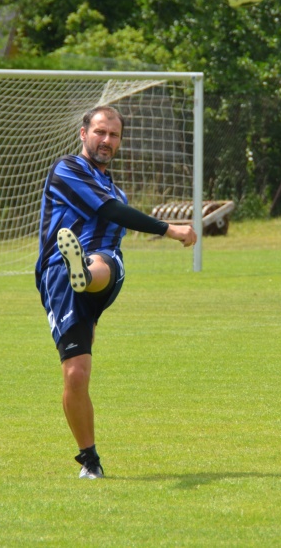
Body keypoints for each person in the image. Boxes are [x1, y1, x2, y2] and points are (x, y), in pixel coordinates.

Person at [35, 105, 197, 479]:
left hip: (105, 270)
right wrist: (170, 229)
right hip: (59, 279)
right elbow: (111, 211)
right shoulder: (67, 169)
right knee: (76, 374)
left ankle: (84, 271)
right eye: (100, 132)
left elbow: (114, 212)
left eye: (114, 135)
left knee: (101, 261)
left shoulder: (115, 190)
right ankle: (90, 460)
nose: (106, 140)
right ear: (83, 134)